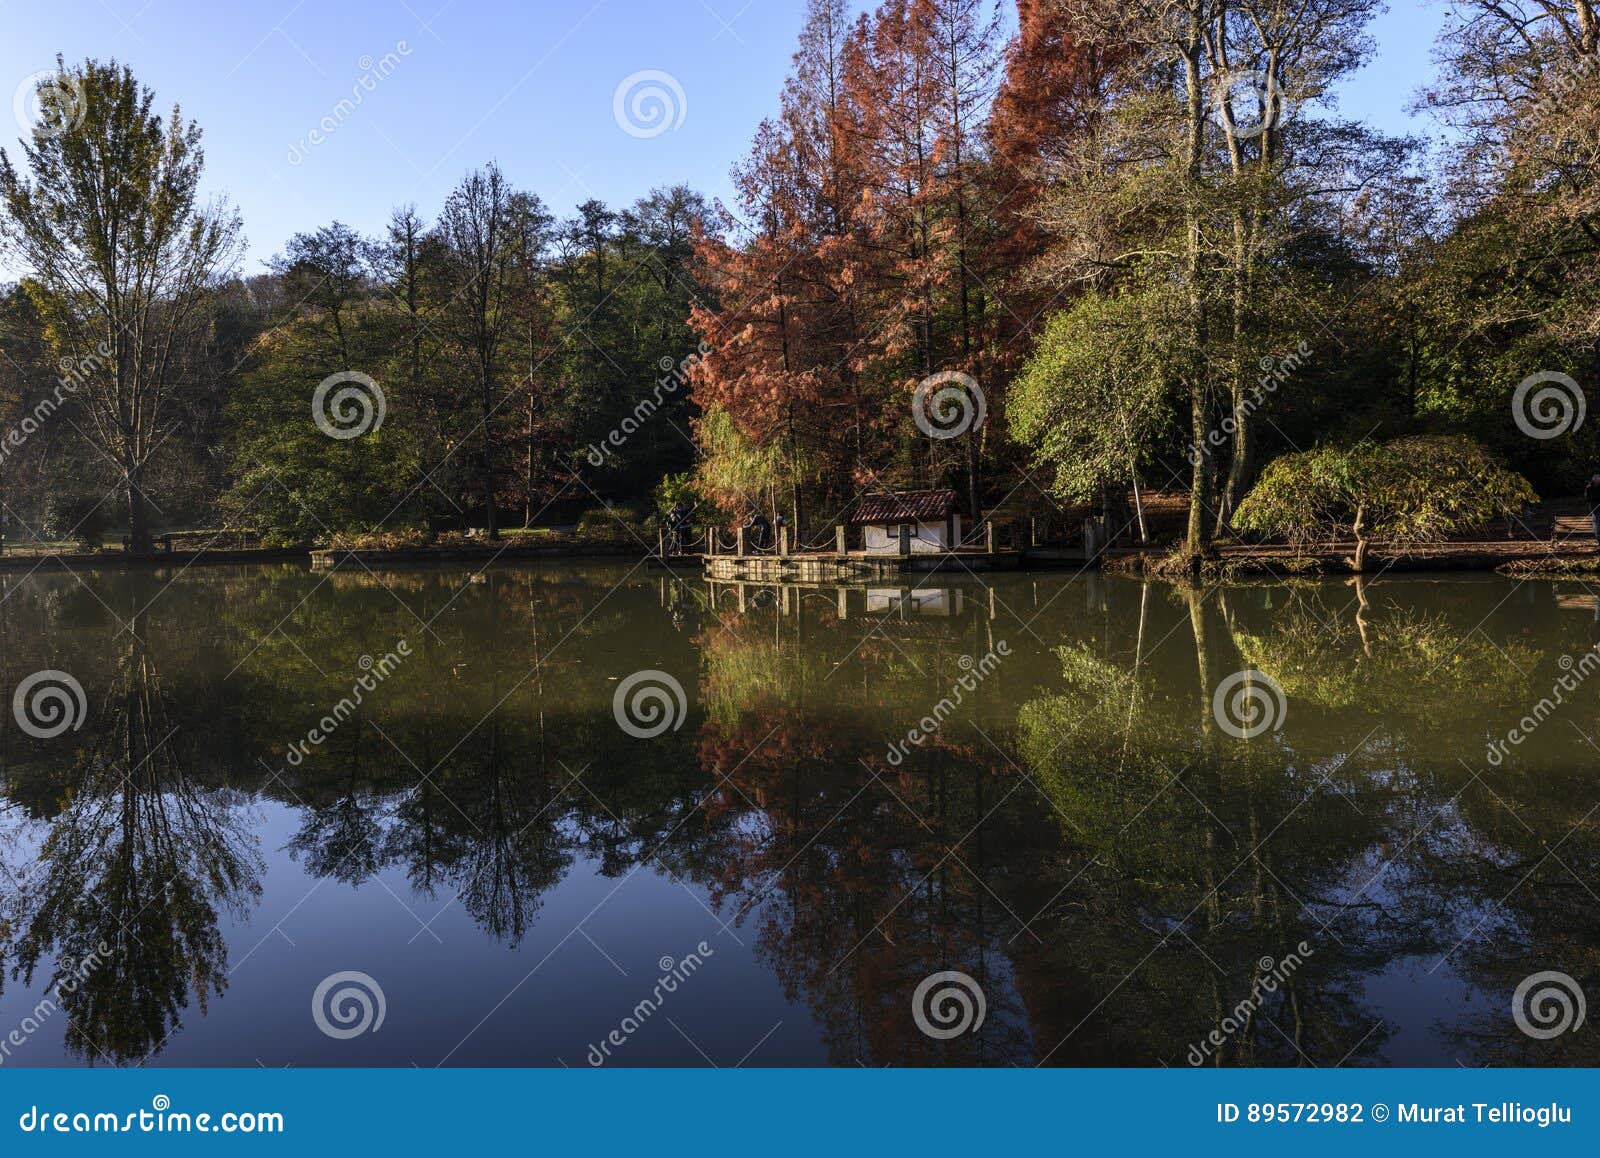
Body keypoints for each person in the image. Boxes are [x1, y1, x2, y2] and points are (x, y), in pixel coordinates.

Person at [1587, 473, 1600, 549]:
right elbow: (1588, 499)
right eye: (1598, 480)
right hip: (1595, 509)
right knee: (1597, 528)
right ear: (1594, 480)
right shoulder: (1589, 488)